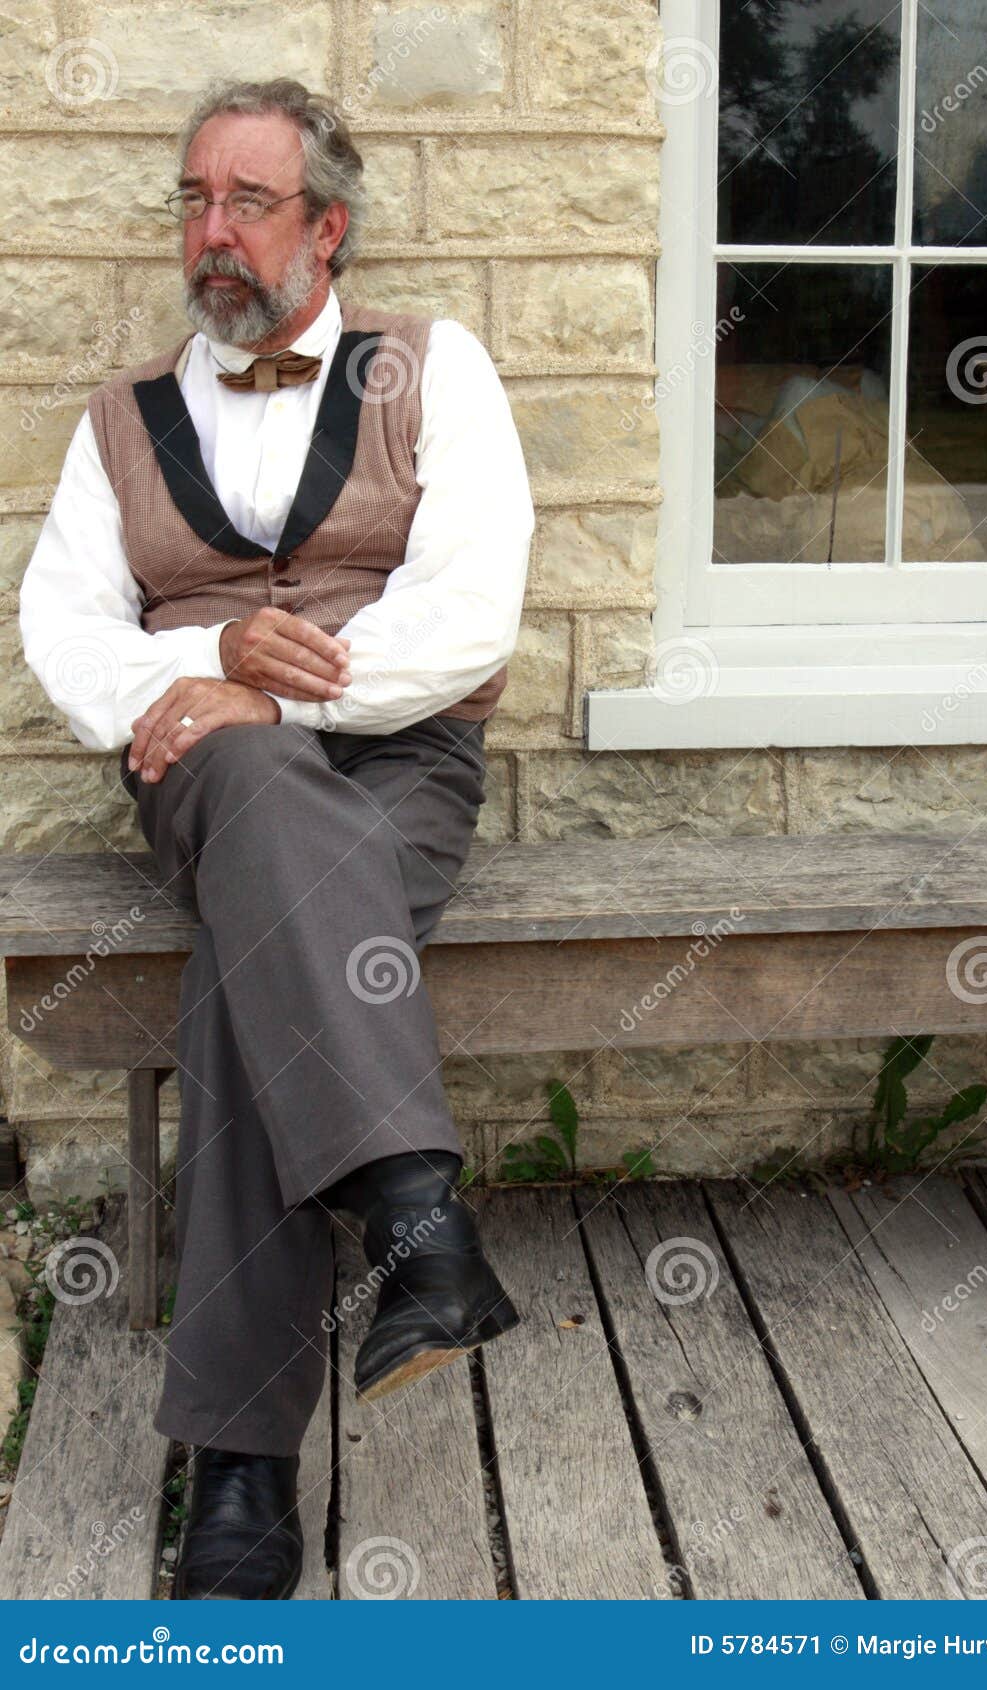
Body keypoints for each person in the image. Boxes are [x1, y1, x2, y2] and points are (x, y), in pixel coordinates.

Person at [18, 76, 534, 1601]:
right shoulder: (117, 424)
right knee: (246, 794)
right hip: (202, 772)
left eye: (247, 202)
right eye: (194, 200)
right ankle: (413, 1219)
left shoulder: (436, 370)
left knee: (244, 974)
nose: (213, 233)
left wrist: (276, 692)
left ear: (329, 227)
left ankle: (238, 1473)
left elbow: (468, 611)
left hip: (401, 767)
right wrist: (193, 687)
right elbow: (59, 632)